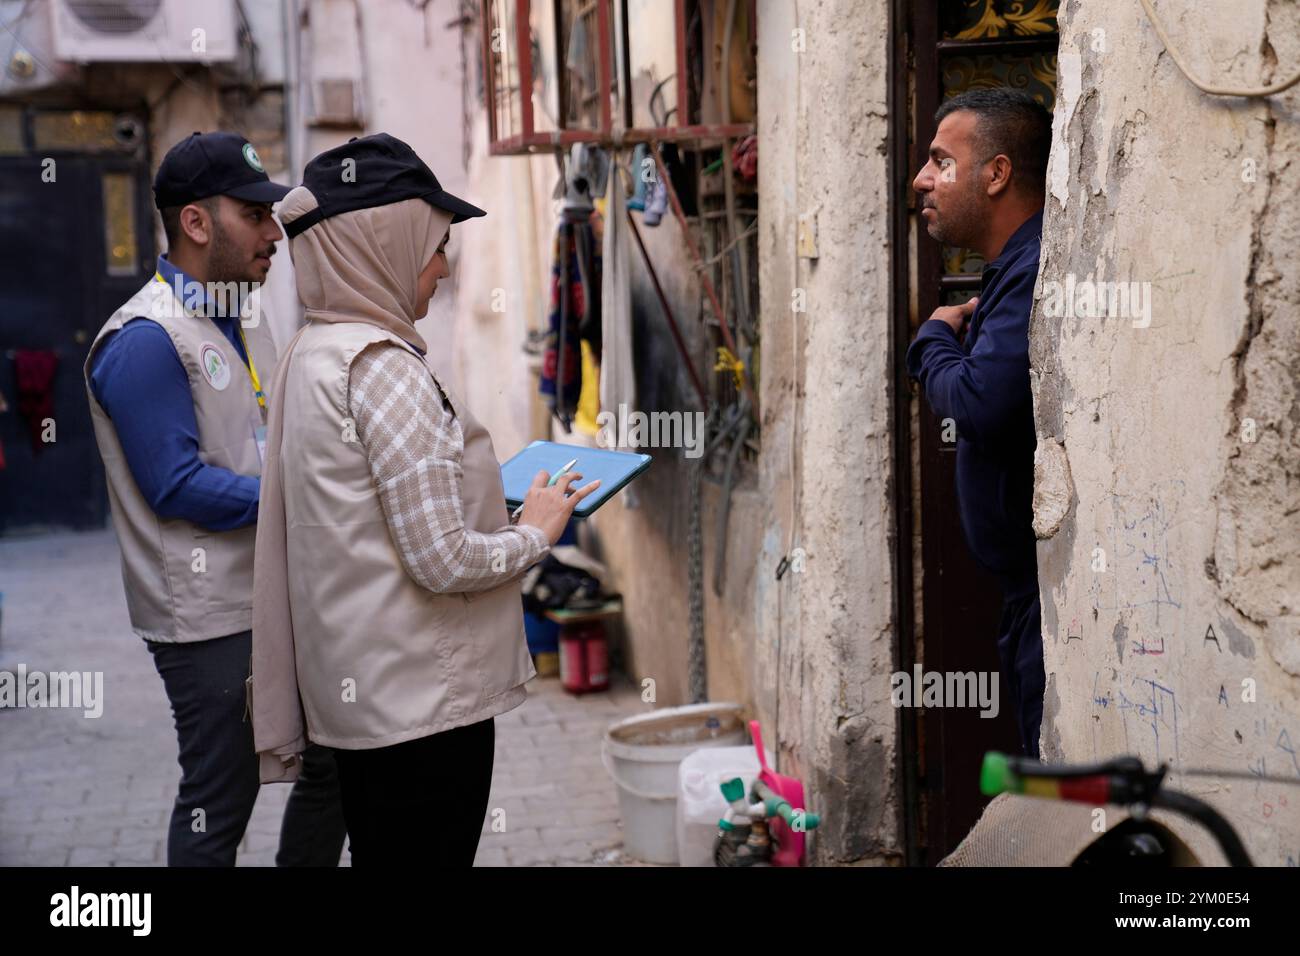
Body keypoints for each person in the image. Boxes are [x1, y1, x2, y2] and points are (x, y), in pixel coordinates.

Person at [250, 133, 598, 866]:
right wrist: (535, 533)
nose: (443, 267)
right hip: (422, 713)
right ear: (383, 242)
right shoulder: (381, 369)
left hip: (367, 704)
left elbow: (367, 523)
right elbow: (440, 560)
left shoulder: (313, 353)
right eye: (435, 244)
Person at [84, 131, 346, 865]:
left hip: (269, 594)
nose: (273, 234)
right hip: (210, 623)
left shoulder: (244, 315)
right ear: (197, 223)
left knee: (331, 766)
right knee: (219, 804)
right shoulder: (144, 340)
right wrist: (305, 496)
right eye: (255, 215)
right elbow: (176, 486)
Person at [906, 89, 1052, 758]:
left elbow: (980, 402)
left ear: (996, 174)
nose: (922, 179)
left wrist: (932, 337)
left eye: (941, 161)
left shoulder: (1029, 271)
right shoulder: (1013, 269)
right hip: (1029, 596)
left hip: (1046, 602)